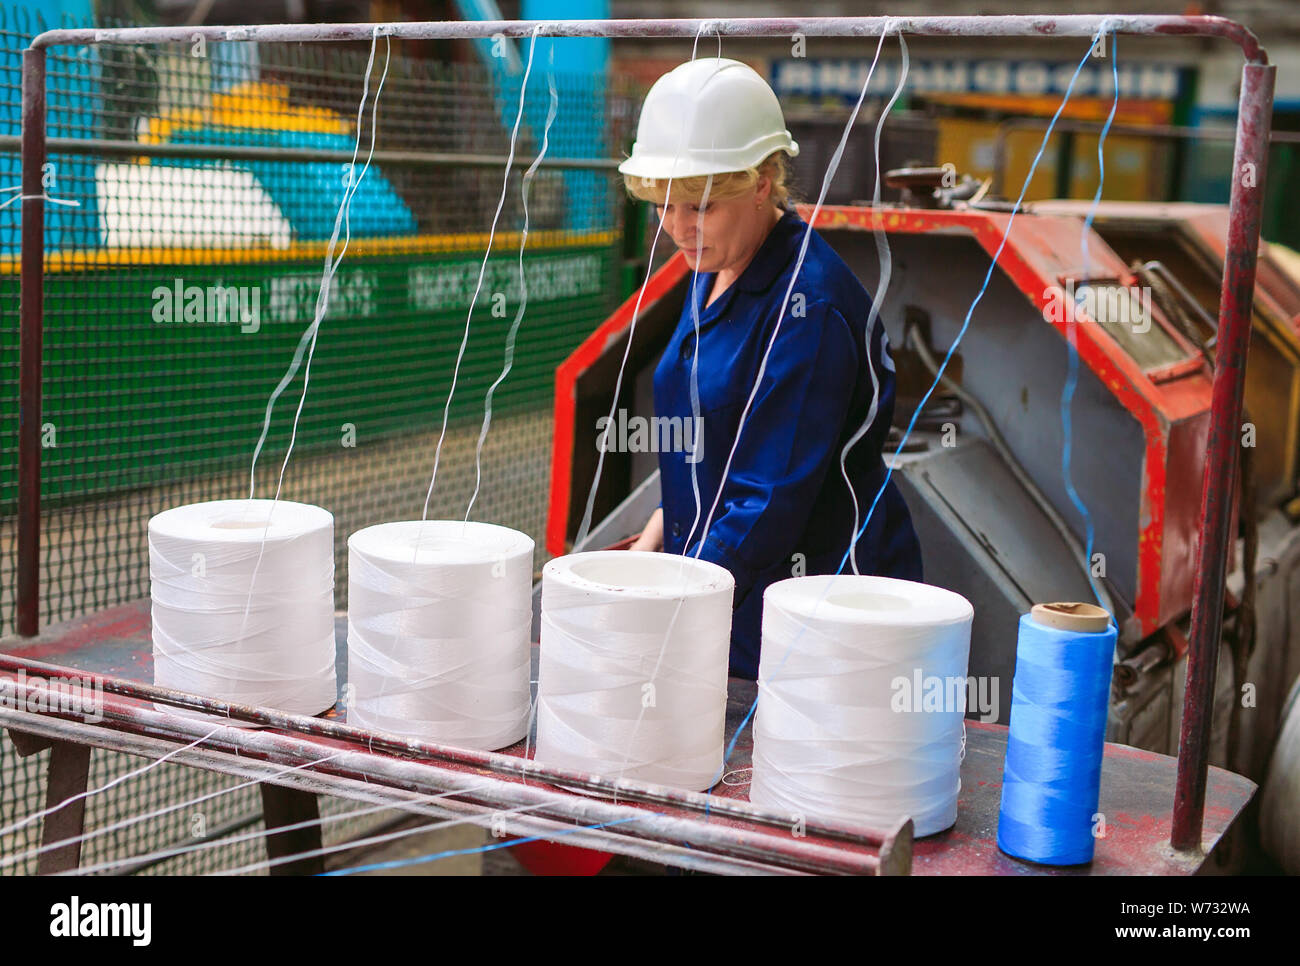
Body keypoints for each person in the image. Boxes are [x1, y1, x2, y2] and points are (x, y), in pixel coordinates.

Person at [619, 57, 923, 680]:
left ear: (761, 182)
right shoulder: (713, 265)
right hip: (721, 584)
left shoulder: (807, 309)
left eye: (698, 207)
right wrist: (663, 524)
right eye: (663, 206)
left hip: (816, 613)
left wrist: (668, 613)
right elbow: (714, 435)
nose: (676, 229)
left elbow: (765, 502)